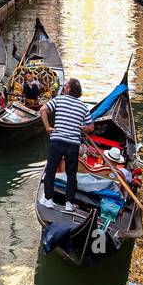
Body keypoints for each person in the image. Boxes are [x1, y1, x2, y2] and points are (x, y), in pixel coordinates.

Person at [38, 78, 93, 210]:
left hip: (57, 141)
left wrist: (47, 128)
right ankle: (69, 204)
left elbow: (43, 110)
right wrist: (82, 128)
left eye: (65, 85)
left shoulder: (59, 99)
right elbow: (91, 127)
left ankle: (48, 200)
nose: (63, 87)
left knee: (50, 171)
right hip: (73, 144)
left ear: (68, 89)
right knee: (71, 174)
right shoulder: (84, 107)